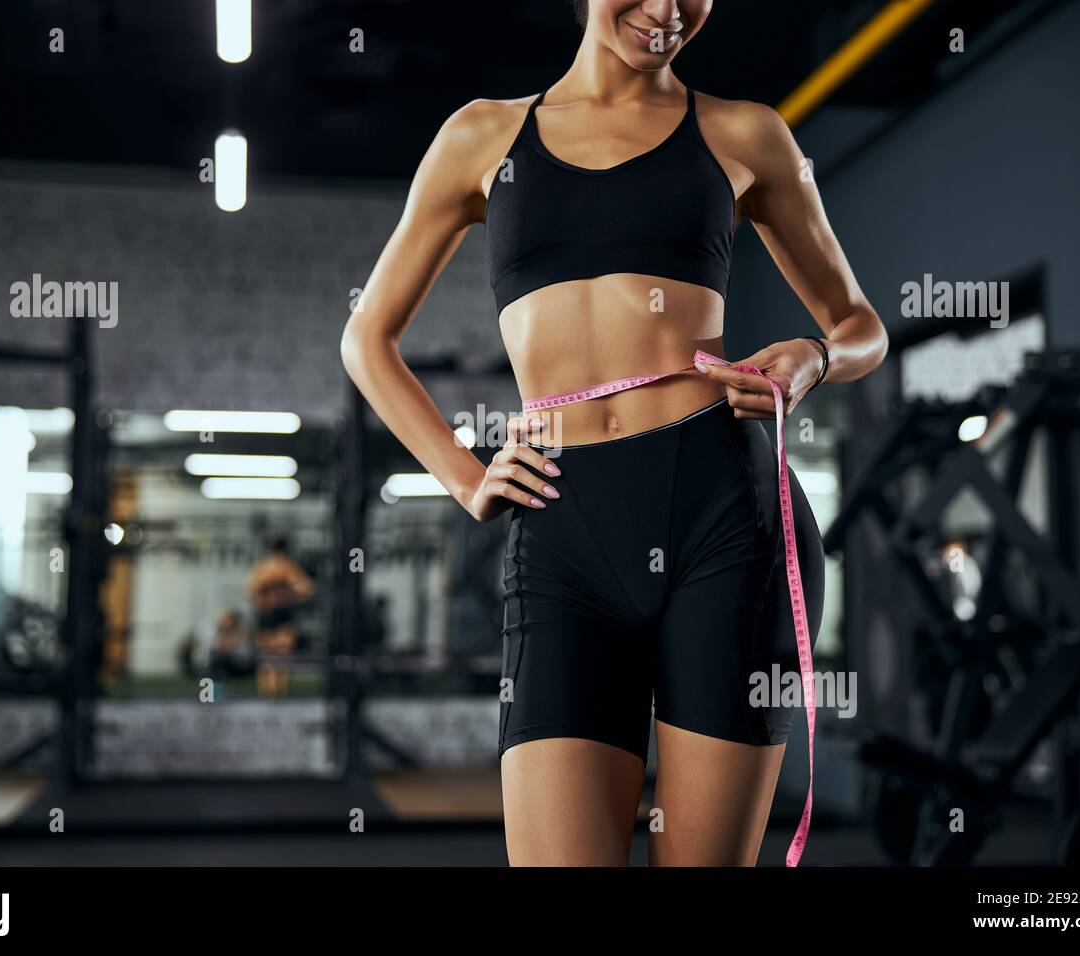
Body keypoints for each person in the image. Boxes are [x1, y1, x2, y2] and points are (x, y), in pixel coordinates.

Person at [340, 0, 888, 866]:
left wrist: (816, 359)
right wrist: (462, 474)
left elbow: (862, 324)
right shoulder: (483, 139)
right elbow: (366, 337)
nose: (667, 10)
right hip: (565, 526)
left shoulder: (745, 134)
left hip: (724, 518)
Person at [246, 536, 315, 696]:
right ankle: (272, 690)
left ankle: (272, 690)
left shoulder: (270, 567)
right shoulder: (281, 567)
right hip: (274, 614)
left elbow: (305, 590)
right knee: (275, 654)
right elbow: (306, 589)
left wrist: (285, 593)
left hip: (276, 614)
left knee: (274, 654)